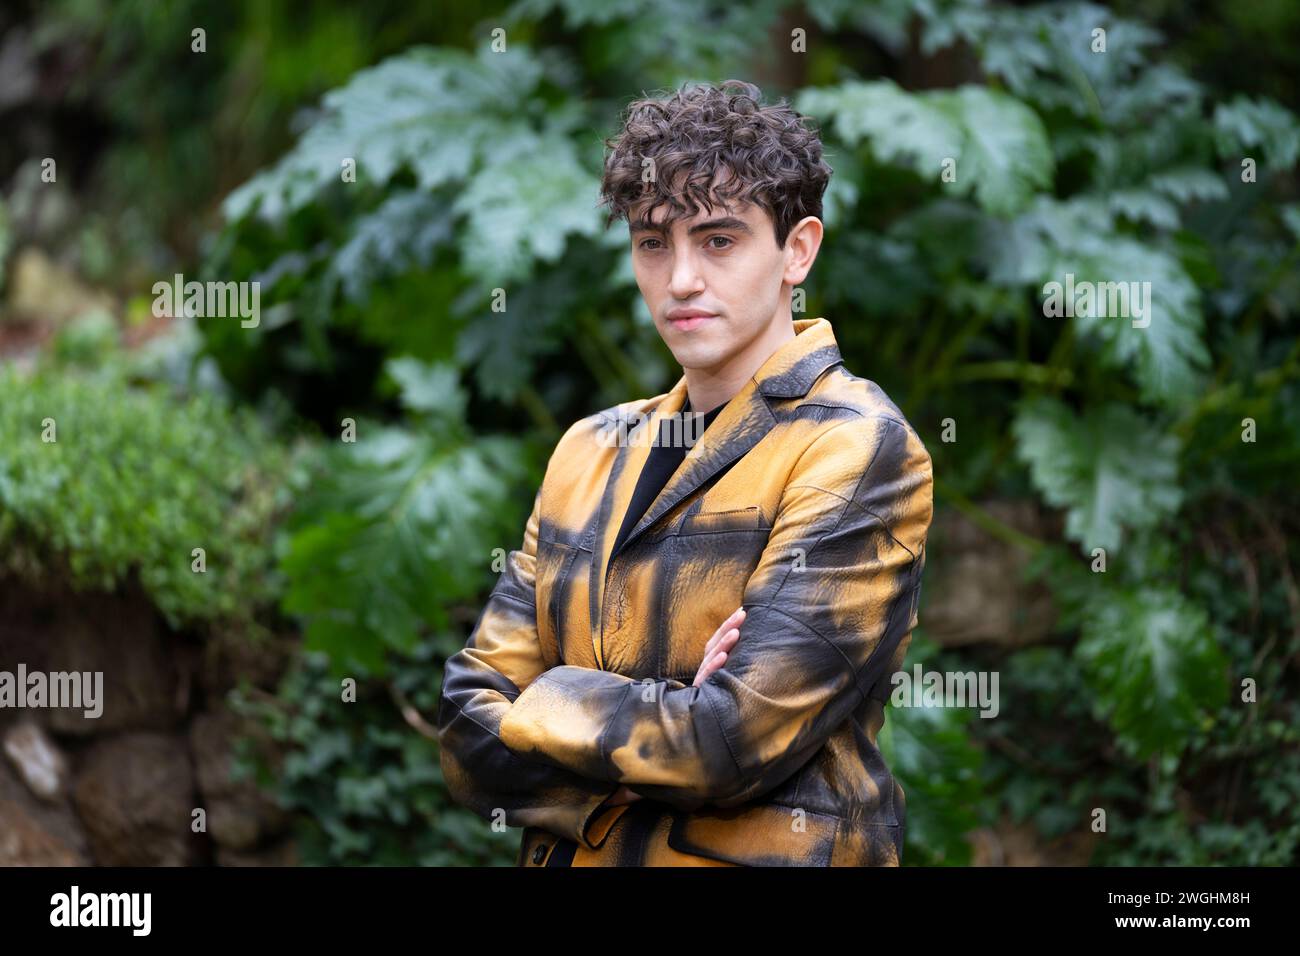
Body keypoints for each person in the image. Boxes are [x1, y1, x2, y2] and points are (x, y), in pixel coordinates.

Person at [436, 79, 934, 867]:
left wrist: (548, 700)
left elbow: (725, 744)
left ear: (796, 250)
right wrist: (665, 717)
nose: (681, 281)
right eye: (653, 242)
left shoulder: (856, 447)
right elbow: (466, 736)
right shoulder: (588, 450)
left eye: (720, 240)